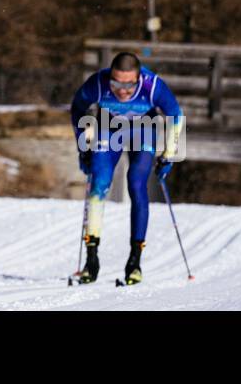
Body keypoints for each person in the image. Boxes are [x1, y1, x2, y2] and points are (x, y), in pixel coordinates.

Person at [68, 51, 184, 286]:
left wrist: (169, 155)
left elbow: (175, 115)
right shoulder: (98, 84)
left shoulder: (152, 86)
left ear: (138, 78)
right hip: (108, 128)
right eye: (116, 83)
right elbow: (77, 108)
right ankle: (91, 260)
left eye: (129, 85)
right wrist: (83, 146)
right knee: (99, 183)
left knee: (136, 184)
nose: (122, 90)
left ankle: (135, 261)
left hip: (143, 129)